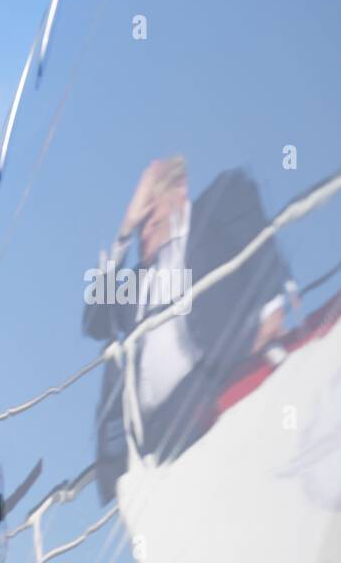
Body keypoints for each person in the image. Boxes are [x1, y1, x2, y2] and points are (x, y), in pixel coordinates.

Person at [84, 159, 293, 502]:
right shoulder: (135, 283)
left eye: (151, 208)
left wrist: (273, 314)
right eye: (140, 218)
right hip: (155, 445)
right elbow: (94, 321)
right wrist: (124, 231)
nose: (144, 226)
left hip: (212, 397)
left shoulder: (216, 208)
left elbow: (260, 248)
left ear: (179, 191)